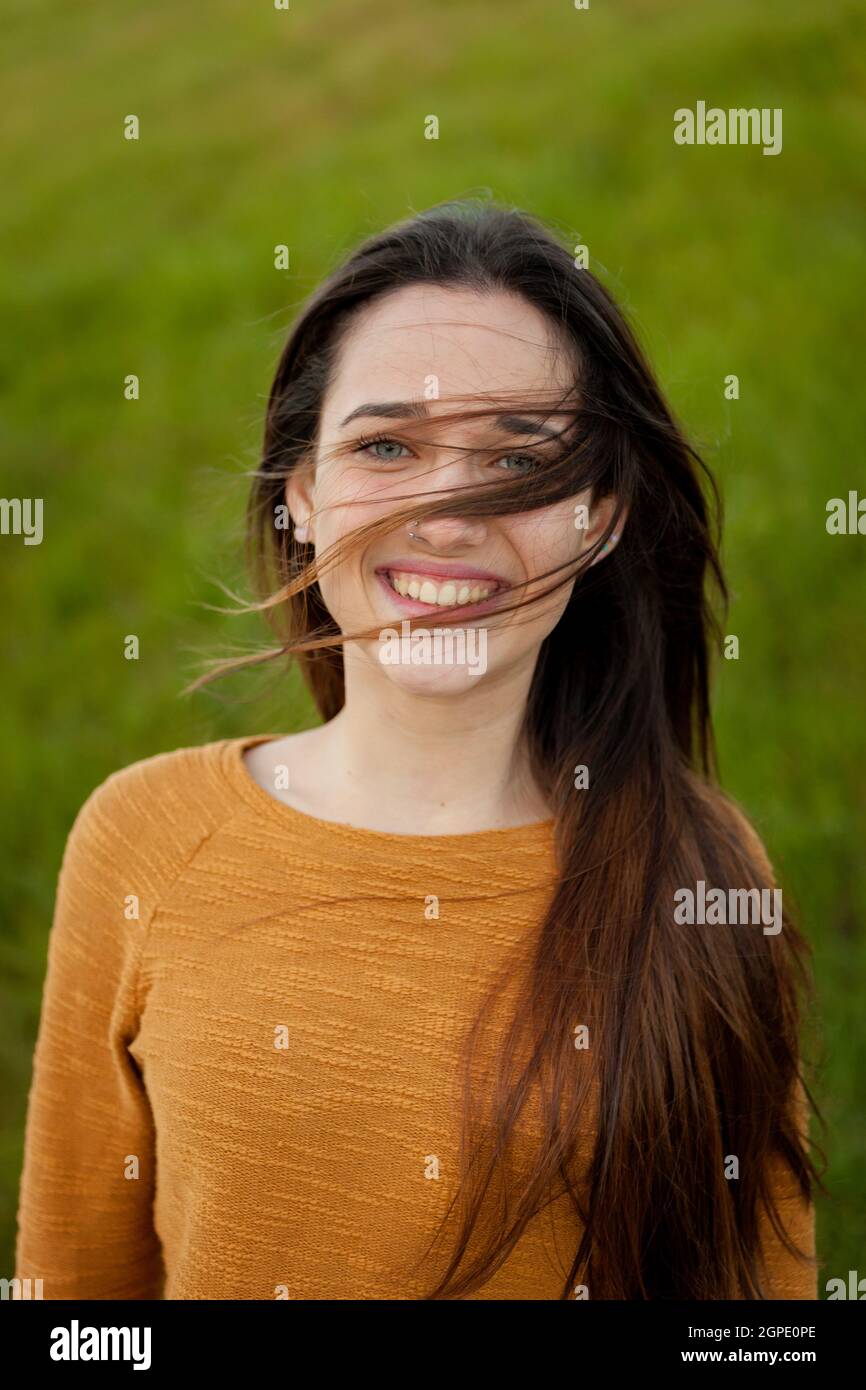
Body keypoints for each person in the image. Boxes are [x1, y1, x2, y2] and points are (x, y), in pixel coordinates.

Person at [15, 199, 821, 1299]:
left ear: (602, 515)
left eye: (517, 455)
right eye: (386, 445)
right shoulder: (143, 837)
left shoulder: (701, 864)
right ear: (302, 494)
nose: (446, 511)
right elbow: (77, 1298)